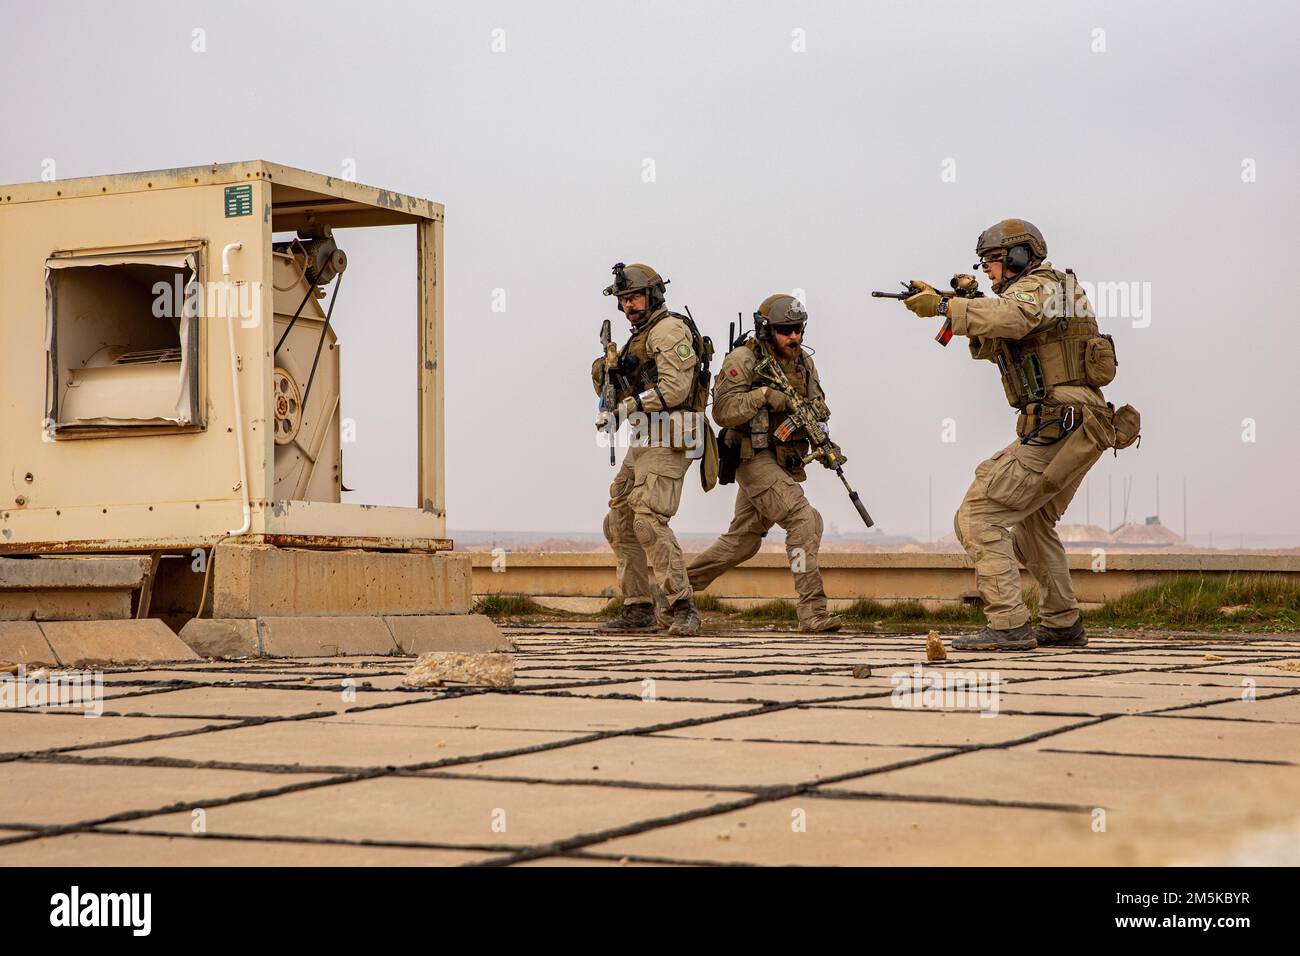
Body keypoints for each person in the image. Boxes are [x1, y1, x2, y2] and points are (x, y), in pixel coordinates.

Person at [904, 219, 1139, 651]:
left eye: (992, 260)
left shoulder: (1041, 287)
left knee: (978, 515)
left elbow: (1012, 318)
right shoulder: (1041, 292)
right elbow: (1000, 338)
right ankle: (1061, 621)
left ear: (1018, 256)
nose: (988, 270)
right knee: (1033, 523)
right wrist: (961, 302)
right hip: (1073, 426)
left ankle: (1009, 623)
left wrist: (945, 307)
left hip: (1061, 423)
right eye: (984, 263)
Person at [684, 294, 843, 633]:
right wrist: (763, 396)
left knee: (742, 542)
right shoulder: (743, 359)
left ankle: (674, 594)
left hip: (784, 459)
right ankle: (812, 611)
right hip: (752, 457)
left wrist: (825, 441)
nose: (794, 337)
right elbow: (722, 411)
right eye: (786, 330)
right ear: (768, 330)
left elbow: (815, 407)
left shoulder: (803, 363)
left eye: (798, 329)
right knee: (804, 520)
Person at [592, 263, 709, 636]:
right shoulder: (638, 338)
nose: (629, 305)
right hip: (645, 434)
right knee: (620, 520)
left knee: (647, 519)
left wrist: (627, 407)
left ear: (654, 294)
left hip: (672, 433)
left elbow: (675, 389)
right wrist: (609, 374)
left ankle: (682, 606)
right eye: (624, 299)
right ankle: (638, 606)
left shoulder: (668, 330)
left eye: (635, 297)